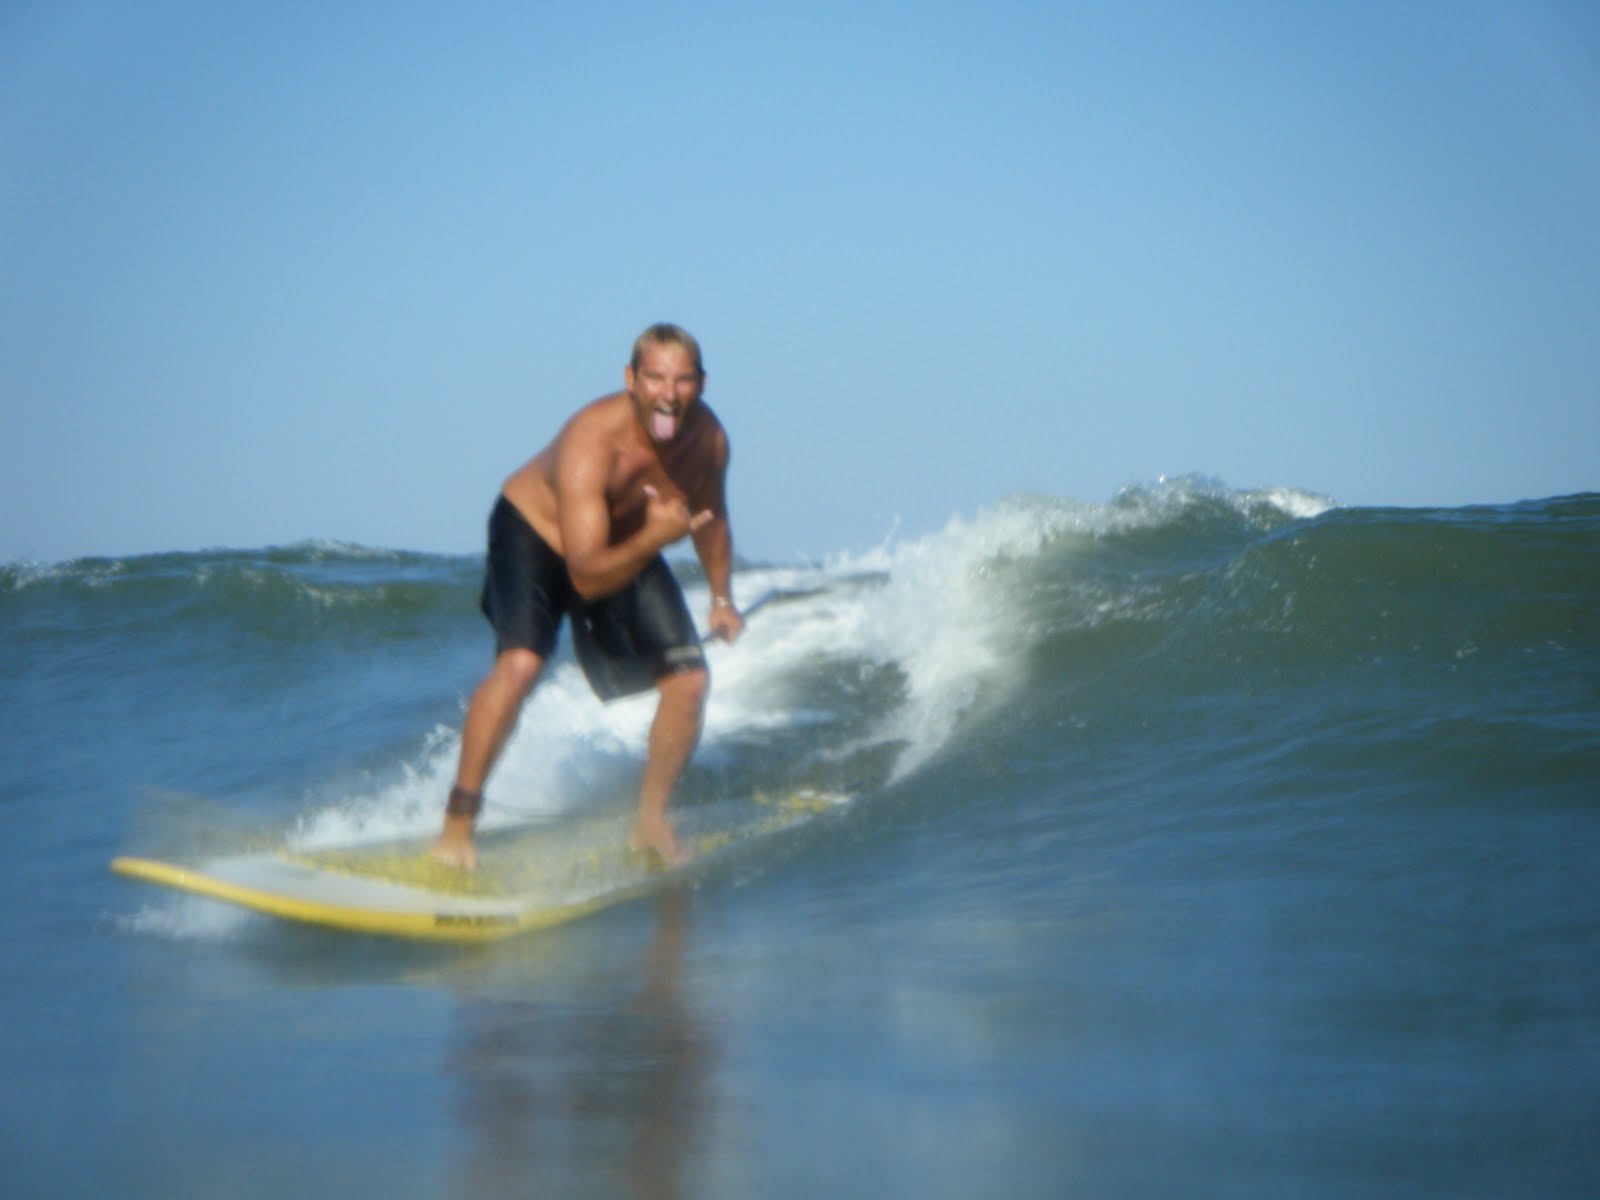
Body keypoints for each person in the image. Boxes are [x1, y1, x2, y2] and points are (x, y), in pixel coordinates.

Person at [431, 323, 743, 870]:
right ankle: (457, 825)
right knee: (522, 664)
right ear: (630, 379)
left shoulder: (708, 443)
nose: (668, 395)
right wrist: (655, 537)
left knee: (689, 681)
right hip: (536, 534)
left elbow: (711, 521)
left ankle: (649, 823)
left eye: (683, 381)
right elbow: (587, 579)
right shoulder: (592, 443)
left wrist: (721, 597)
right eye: (655, 378)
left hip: (623, 540)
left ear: (702, 383)